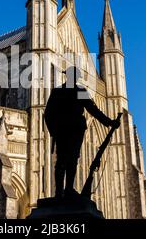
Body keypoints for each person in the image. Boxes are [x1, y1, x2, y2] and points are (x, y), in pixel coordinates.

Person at [44, 66, 121, 198]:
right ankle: (62, 191)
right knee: (66, 160)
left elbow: (92, 110)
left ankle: (65, 190)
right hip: (71, 130)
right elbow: (49, 114)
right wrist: (109, 122)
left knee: (68, 160)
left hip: (69, 131)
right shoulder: (71, 91)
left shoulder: (60, 91)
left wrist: (109, 122)